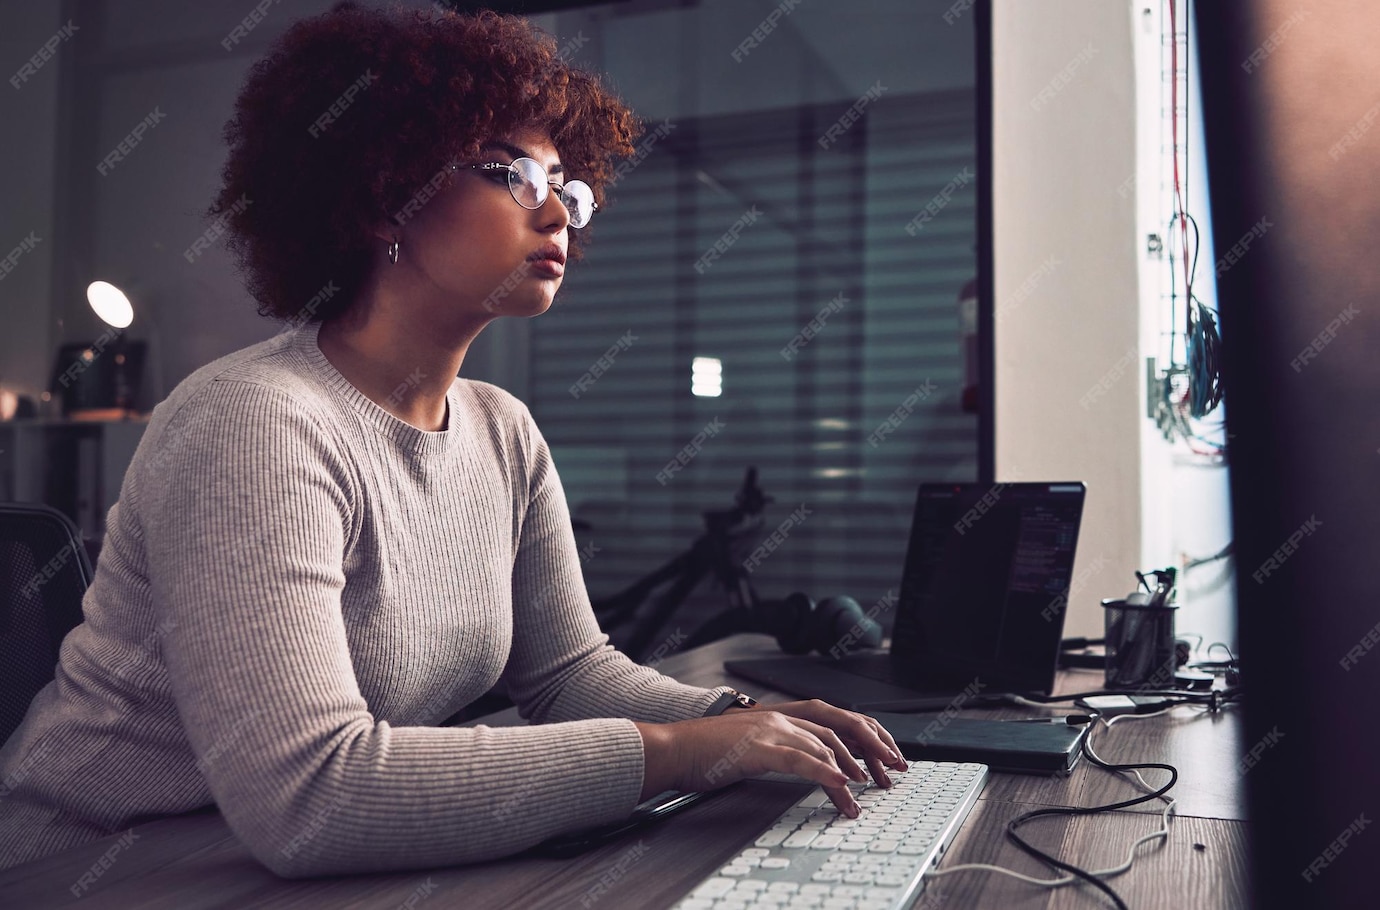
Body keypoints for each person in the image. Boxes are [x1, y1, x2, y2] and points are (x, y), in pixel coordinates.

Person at [0, 3, 906, 877]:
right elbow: (310, 796)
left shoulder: (502, 429)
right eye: (515, 174)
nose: (557, 215)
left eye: (568, 190)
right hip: (104, 868)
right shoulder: (256, 423)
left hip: (288, 870)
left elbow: (569, 674)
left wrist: (750, 721)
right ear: (388, 191)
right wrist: (678, 751)